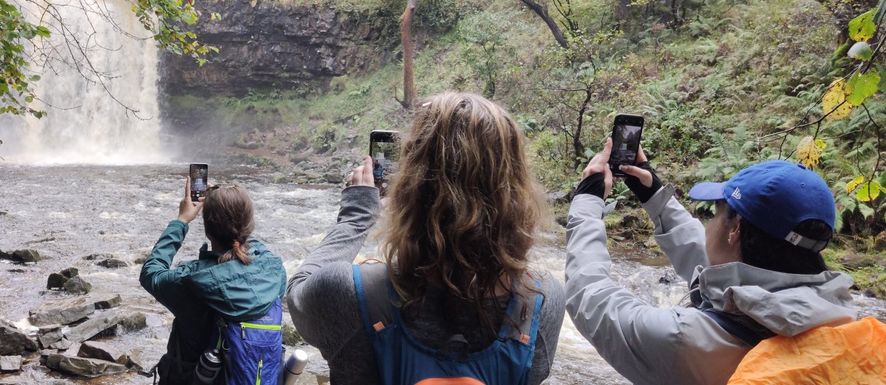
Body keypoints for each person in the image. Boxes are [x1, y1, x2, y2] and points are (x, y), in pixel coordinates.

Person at [287, 92, 565, 384]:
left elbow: (297, 291)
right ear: (516, 190)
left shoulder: (346, 293)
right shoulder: (541, 302)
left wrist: (356, 216)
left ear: (409, 187)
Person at [564, 140, 858, 385]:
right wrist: (654, 195)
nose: (708, 225)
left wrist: (588, 202)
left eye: (716, 213)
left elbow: (589, 294)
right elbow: (717, 268)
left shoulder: (684, 339)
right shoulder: (841, 316)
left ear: (735, 229)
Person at [140, 180, 286, 385]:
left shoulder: (191, 281)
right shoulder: (274, 270)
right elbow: (251, 247)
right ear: (249, 224)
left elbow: (151, 273)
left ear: (207, 229)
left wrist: (181, 221)